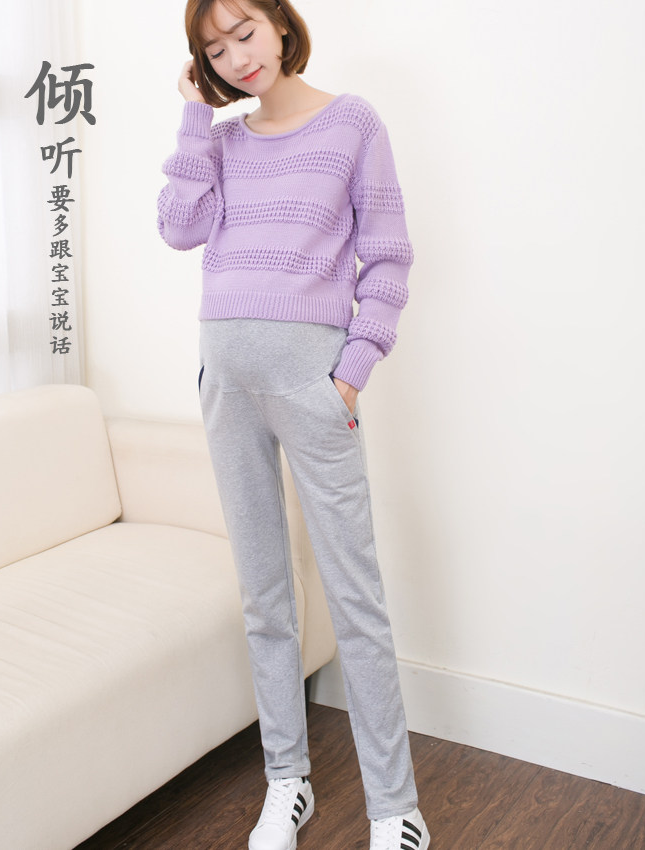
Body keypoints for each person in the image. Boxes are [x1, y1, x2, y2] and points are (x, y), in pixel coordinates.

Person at [157, 1, 429, 847]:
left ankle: (396, 809)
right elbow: (178, 229)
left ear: (280, 22)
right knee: (264, 594)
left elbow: (389, 259)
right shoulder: (220, 142)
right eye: (214, 49)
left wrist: (349, 376)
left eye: (244, 32)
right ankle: (287, 780)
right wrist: (194, 117)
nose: (236, 57)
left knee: (355, 596)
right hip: (227, 386)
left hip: (314, 385)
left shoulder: (353, 124)